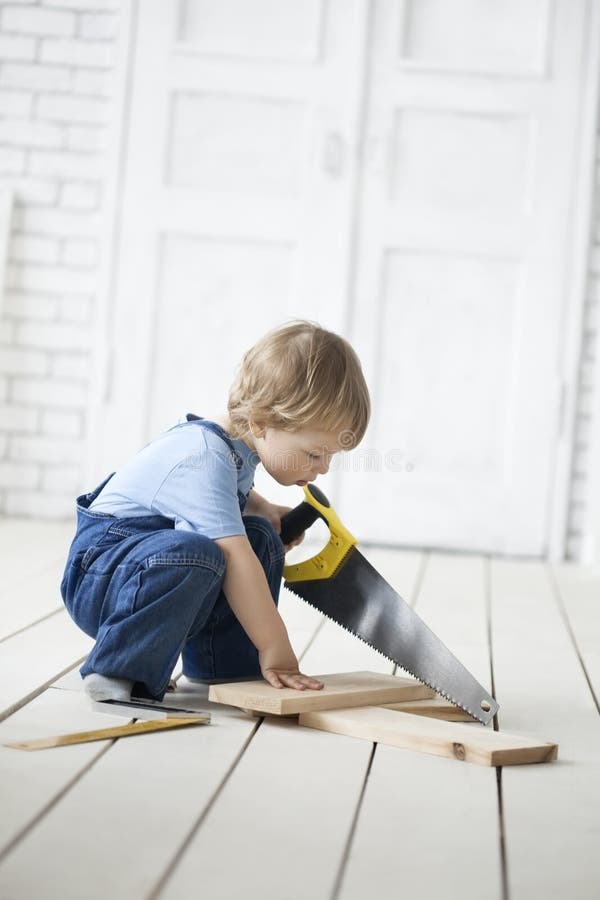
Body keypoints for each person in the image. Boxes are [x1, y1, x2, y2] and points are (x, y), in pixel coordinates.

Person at [60, 320, 371, 703]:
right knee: (207, 551)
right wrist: (274, 645)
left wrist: (261, 507)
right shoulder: (204, 457)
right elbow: (232, 555)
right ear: (262, 423)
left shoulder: (234, 450)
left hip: (145, 568)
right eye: (314, 454)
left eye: (330, 456)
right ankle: (115, 670)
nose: (323, 468)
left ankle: (224, 669)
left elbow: (228, 495)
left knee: (260, 537)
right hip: (102, 576)